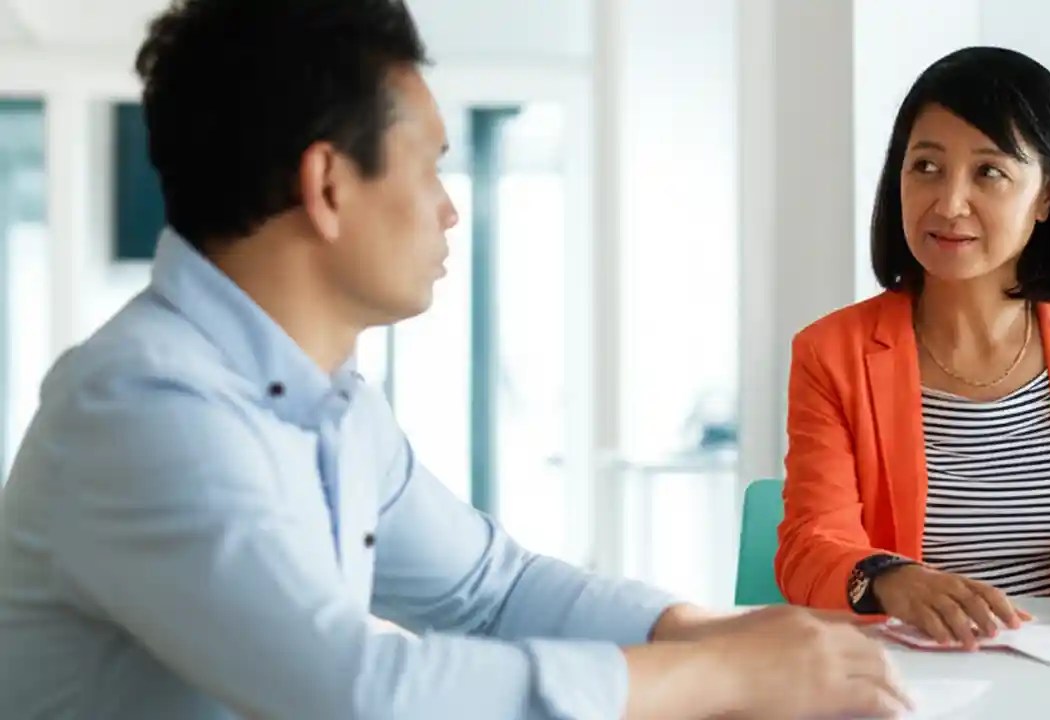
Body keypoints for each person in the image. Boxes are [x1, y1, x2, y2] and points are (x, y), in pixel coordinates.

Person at [0, 2, 910, 718]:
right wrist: (718, 675)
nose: (449, 209)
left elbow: (490, 589)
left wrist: (707, 630)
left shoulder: (334, 405)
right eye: (431, 166)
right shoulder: (140, 409)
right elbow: (354, 694)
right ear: (328, 186)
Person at [775, 46, 1050, 650]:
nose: (949, 203)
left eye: (989, 173)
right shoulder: (830, 354)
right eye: (926, 166)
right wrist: (891, 578)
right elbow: (811, 546)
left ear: (1047, 195)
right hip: (909, 672)